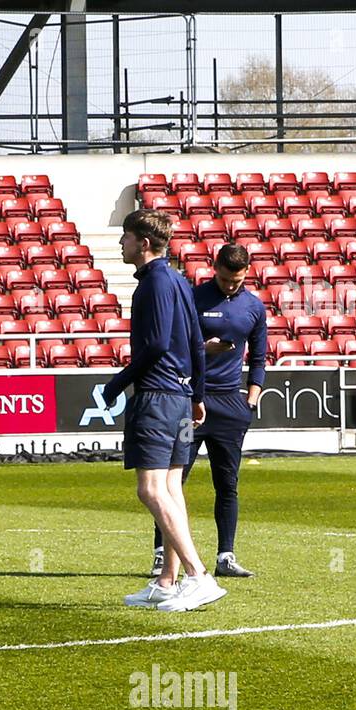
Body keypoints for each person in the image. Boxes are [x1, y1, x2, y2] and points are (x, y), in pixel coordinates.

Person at [101, 210, 225, 612]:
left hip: (155, 396)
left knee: (150, 489)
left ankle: (197, 575)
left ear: (144, 243)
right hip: (180, 398)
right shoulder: (178, 280)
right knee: (172, 487)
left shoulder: (152, 283)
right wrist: (198, 395)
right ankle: (167, 581)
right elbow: (194, 342)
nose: (121, 243)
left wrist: (117, 383)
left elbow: (154, 346)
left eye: (126, 237)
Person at [149, 242, 267, 578]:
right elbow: (174, 345)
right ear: (215, 268)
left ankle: (225, 556)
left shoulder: (254, 307)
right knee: (174, 480)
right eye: (227, 279)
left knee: (227, 482)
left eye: (238, 280)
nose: (231, 285)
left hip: (231, 406)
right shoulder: (193, 297)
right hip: (189, 401)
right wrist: (205, 349)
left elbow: (259, 357)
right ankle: (162, 552)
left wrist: (252, 399)